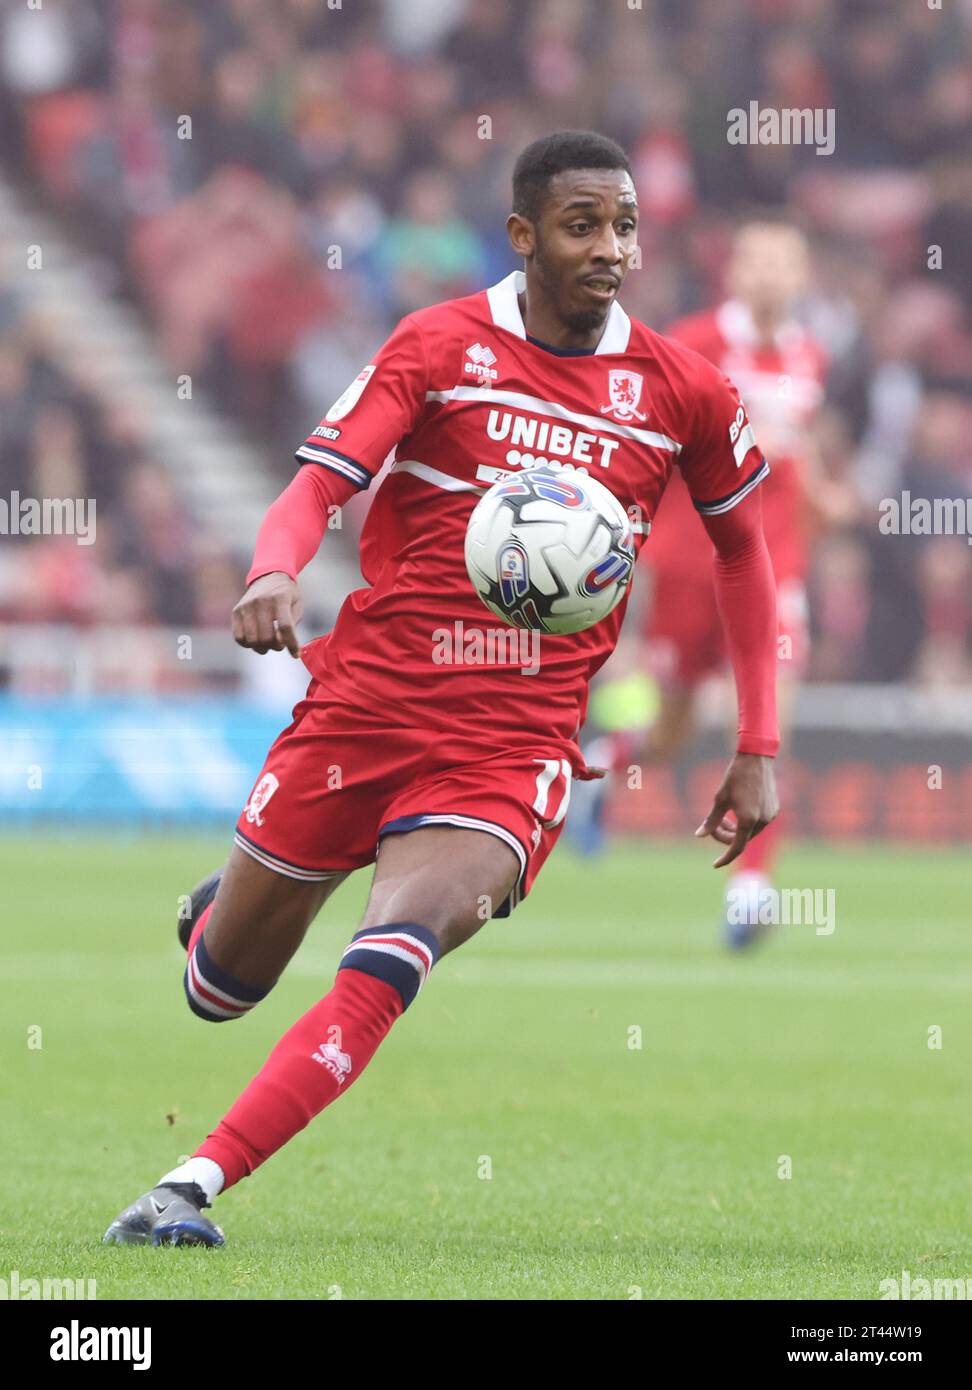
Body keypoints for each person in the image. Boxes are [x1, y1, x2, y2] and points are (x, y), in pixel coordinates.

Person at [104, 130, 779, 1248]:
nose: (610, 247)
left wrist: (757, 744)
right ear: (522, 236)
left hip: (513, 743)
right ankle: (218, 916)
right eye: (581, 225)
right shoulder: (439, 345)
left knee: (394, 950)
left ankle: (190, 1184)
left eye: (623, 226)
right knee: (221, 988)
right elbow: (317, 486)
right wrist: (273, 568)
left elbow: (744, 553)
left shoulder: (682, 392)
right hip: (365, 707)